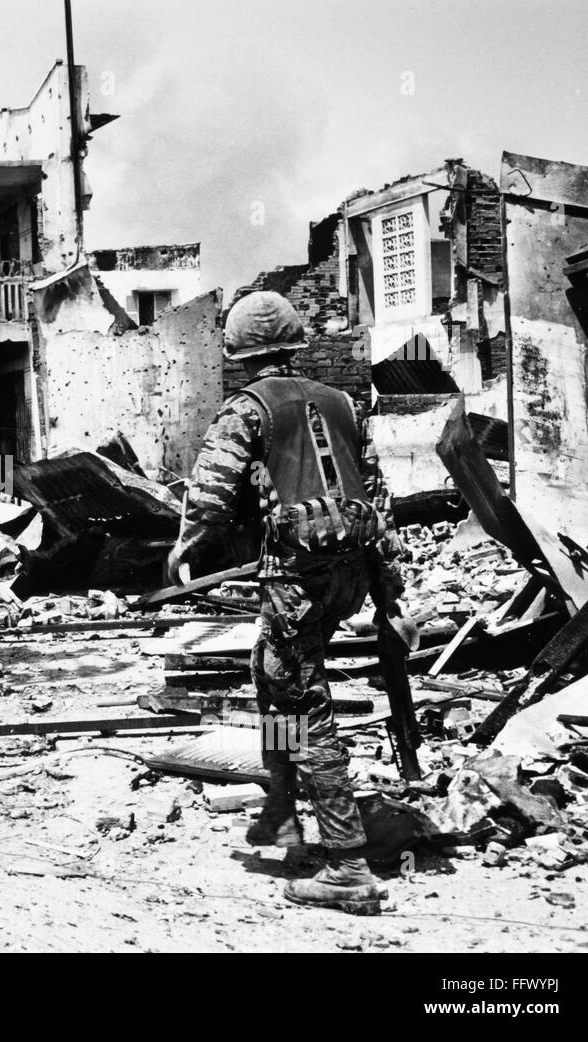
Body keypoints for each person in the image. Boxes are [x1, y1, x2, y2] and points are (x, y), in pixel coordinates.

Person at [171, 291, 417, 916]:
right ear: (296, 344)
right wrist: (388, 586)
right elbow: (378, 493)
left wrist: (186, 546)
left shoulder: (246, 410)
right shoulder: (342, 402)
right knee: (268, 672)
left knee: (305, 705)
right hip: (350, 573)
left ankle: (347, 864)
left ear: (237, 354)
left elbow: (209, 496)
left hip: (297, 582)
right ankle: (281, 811)